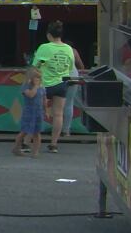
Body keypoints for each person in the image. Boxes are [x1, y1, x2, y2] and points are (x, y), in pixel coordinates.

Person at [32, 21, 75, 154]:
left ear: (49, 35)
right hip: (61, 84)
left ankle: (29, 142)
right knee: (58, 114)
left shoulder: (44, 47)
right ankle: (54, 144)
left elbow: (35, 66)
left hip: (44, 85)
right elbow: (70, 67)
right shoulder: (68, 48)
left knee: (36, 112)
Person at [13, 66, 45, 157]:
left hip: (38, 112)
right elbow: (31, 95)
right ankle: (16, 148)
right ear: (30, 78)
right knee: (24, 131)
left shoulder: (42, 88)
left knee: (37, 133)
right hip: (29, 112)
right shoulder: (26, 87)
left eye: (39, 77)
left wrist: (45, 110)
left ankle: (35, 151)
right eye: (36, 77)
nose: (38, 79)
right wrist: (35, 86)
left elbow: (44, 99)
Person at [61, 41, 87, 138]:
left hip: (58, 78)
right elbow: (81, 66)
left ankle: (56, 129)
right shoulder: (74, 51)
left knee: (57, 104)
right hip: (73, 76)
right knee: (69, 104)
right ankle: (66, 131)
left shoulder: (54, 49)